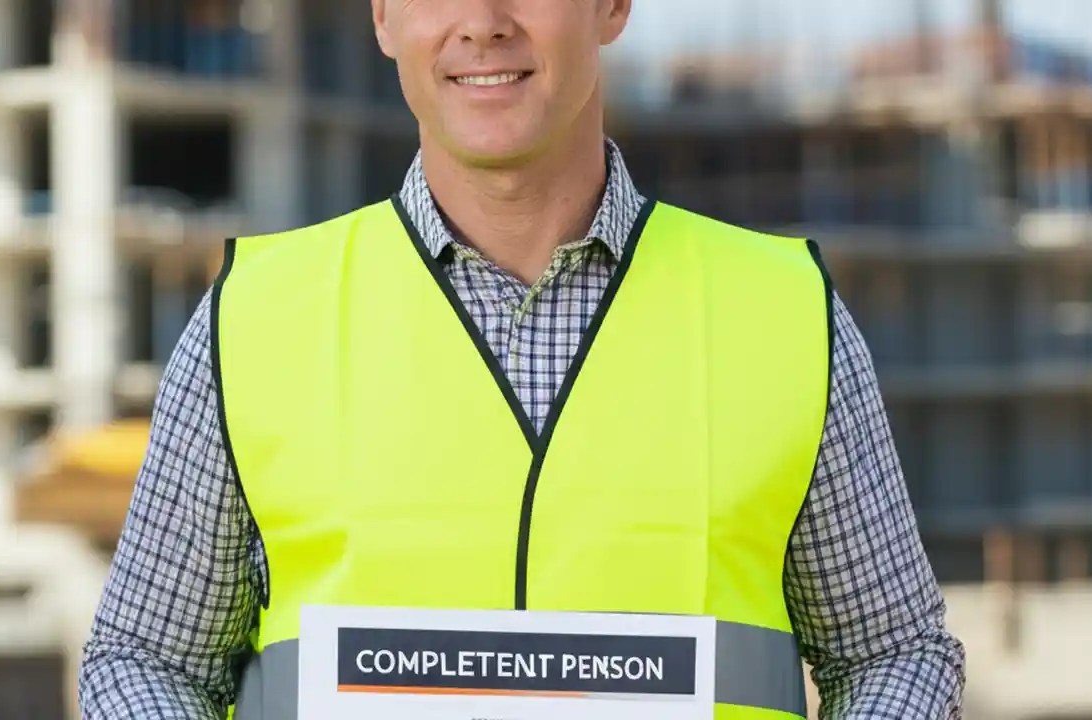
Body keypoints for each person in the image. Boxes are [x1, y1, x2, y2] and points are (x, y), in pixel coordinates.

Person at [79, 1, 966, 718]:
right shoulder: (255, 319)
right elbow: (144, 662)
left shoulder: (784, 317)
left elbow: (894, 657)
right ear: (383, 17)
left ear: (612, 6)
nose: (483, 21)